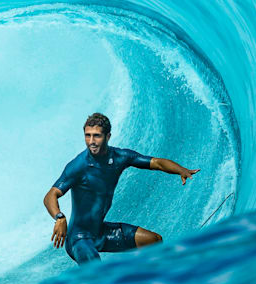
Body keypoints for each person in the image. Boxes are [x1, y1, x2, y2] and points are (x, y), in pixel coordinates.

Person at [43, 112, 199, 264]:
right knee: (96, 269)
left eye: (96, 135)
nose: (91, 141)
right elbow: (51, 195)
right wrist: (59, 217)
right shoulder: (78, 166)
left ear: (108, 136)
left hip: (100, 232)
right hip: (78, 238)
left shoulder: (120, 157)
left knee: (154, 240)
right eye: (87, 135)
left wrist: (181, 170)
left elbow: (156, 163)